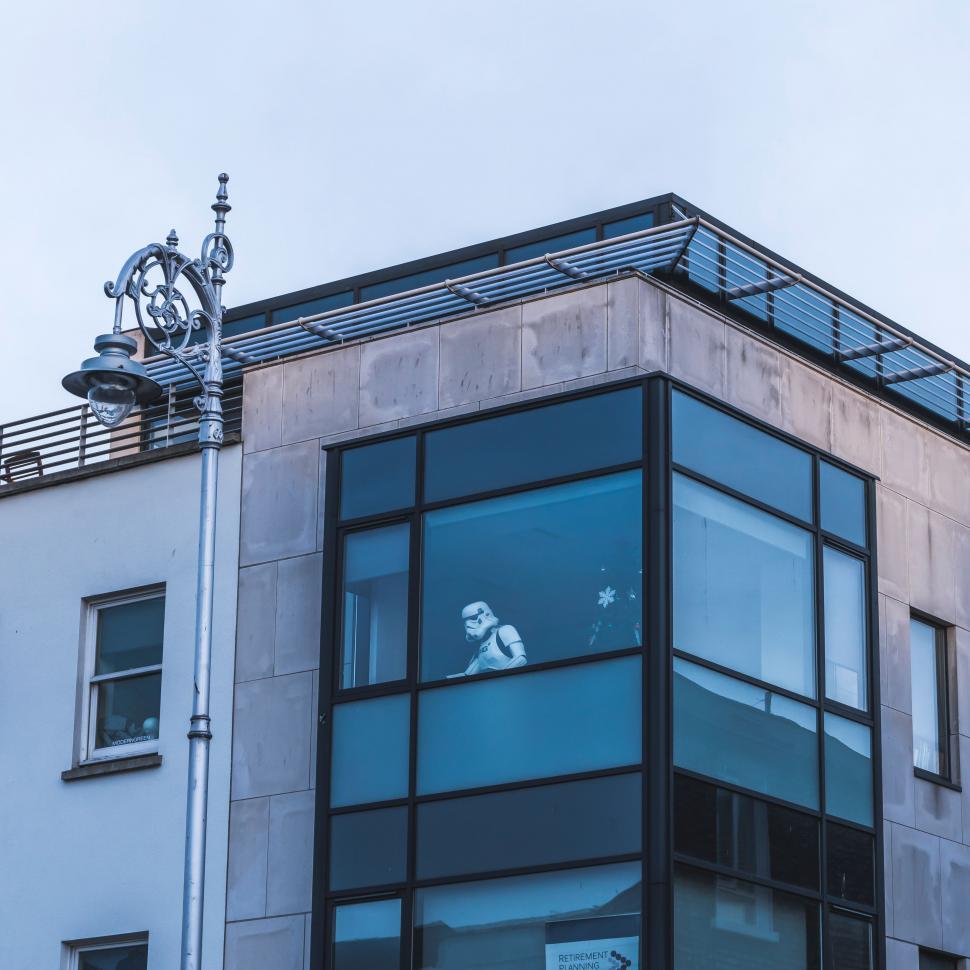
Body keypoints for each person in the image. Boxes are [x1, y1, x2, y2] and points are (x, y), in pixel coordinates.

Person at [451, 601, 527, 677]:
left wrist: (500, 678)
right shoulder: (481, 646)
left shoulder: (505, 630)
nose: (468, 625)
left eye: (473, 618)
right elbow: (467, 675)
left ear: (486, 614)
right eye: (465, 622)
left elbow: (521, 659)